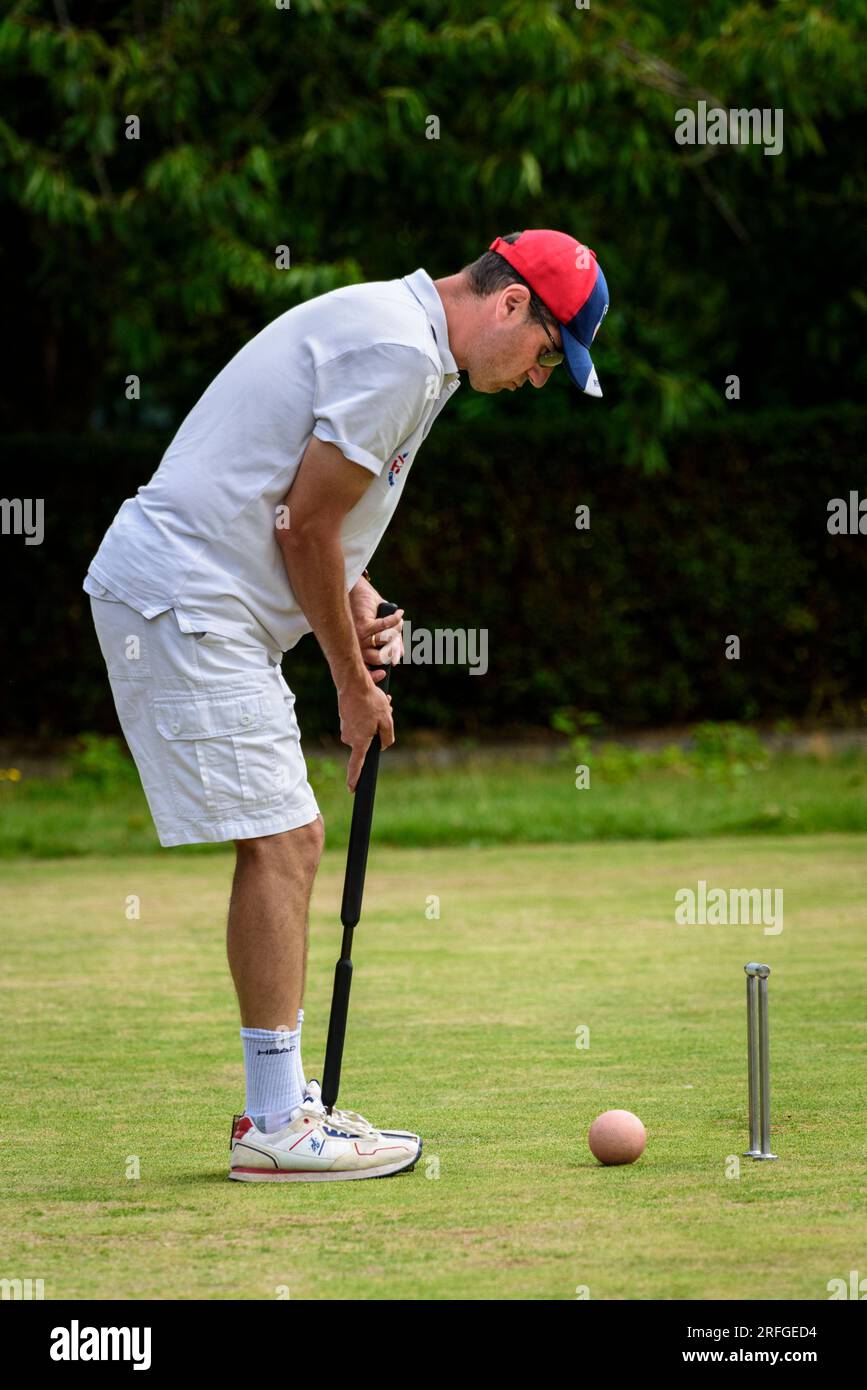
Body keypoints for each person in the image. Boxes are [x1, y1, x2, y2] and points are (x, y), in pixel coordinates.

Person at [83, 229, 610, 1182]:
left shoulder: (411, 345)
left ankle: (285, 1112)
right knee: (285, 838)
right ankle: (277, 1126)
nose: (538, 379)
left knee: (291, 835)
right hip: (187, 596)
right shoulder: (401, 351)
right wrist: (352, 684)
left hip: (201, 596)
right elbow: (303, 524)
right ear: (512, 304)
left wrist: (362, 603)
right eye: (544, 355)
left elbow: (312, 517)